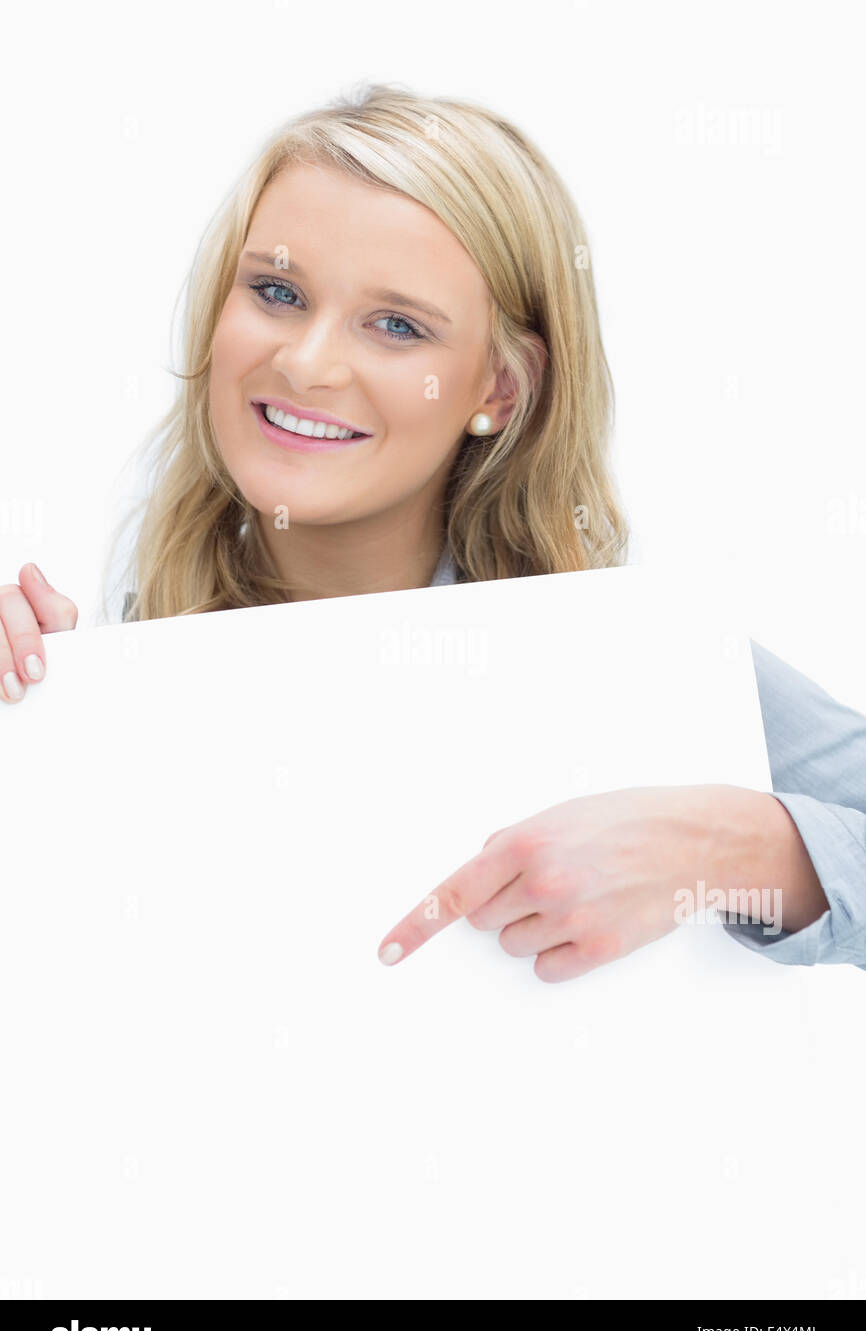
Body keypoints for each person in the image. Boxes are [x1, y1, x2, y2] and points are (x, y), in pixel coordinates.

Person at [1, 84, 863, 981]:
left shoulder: (645, 662)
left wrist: (741, 851)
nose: (305, 362)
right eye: (277, 290)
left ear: (498, 390)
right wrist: (37, 745)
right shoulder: (112, 665)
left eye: (397, 325)